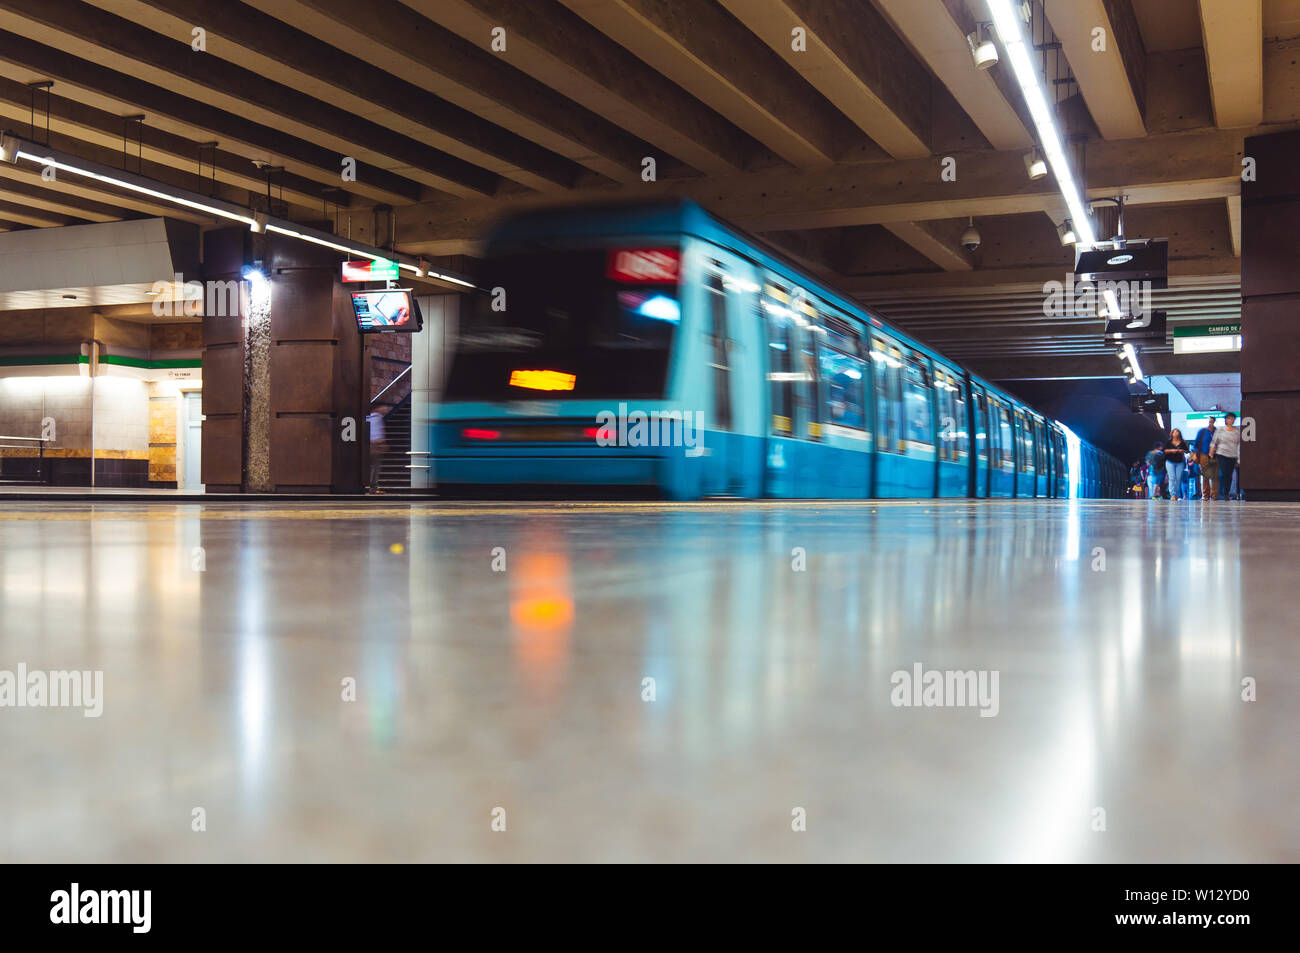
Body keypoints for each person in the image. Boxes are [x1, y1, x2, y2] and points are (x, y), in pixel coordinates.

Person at [1209, 412, 1241, 501]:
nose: (1230, 420)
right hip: (1221, 453)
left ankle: (1226, 492)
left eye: (1231, 418)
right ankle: (1222, 492)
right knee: (1223, 473)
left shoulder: (1237, 431)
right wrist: (1211, 453)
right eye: (1228, 418)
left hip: (1232, 455)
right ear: (1225, 420)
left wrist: (1239, 458)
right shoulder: (1220, 430)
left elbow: (1239, 444)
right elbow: (1213, 442)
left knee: (1229, 475)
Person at [366, 404, 390, 494]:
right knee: (374, 467)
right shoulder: (376, 418)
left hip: (372, 444)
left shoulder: (371, 417)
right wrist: (380, 443)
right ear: (377, 408)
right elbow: (375, 432)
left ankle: (371, 486)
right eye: (383, 407)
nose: (386, 409)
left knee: (373, 466)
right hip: (375, 445)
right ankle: (372, 487)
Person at [1194, 416, 1218, 502]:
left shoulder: (1217, 431)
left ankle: (1215, 495)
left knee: (1215, 476)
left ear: (1214, 422)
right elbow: (1196, 443)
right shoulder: (1202, 431)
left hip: (1215, 455)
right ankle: (1206, 495)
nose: (1210, 423)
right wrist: (1195, 454)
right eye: (1209, 421)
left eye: (1212, 421)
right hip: (1203, 455)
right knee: (1205, 476)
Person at [1164, 428, 1190, 500]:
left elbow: (1187, 450)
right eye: (1174, 432)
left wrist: (1181, 451)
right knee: (1172, 478)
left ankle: (1176, 493)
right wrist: (1172, 450)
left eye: (1177, 432)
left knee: (1178, 479)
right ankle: (1172, 494)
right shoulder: (1168, 442)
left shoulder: (1182, 442)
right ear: (1172, 434)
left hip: (1180, 462)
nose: (1175, 433)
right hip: (1169, 461)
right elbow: (1164, 450)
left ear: (1179, 433)